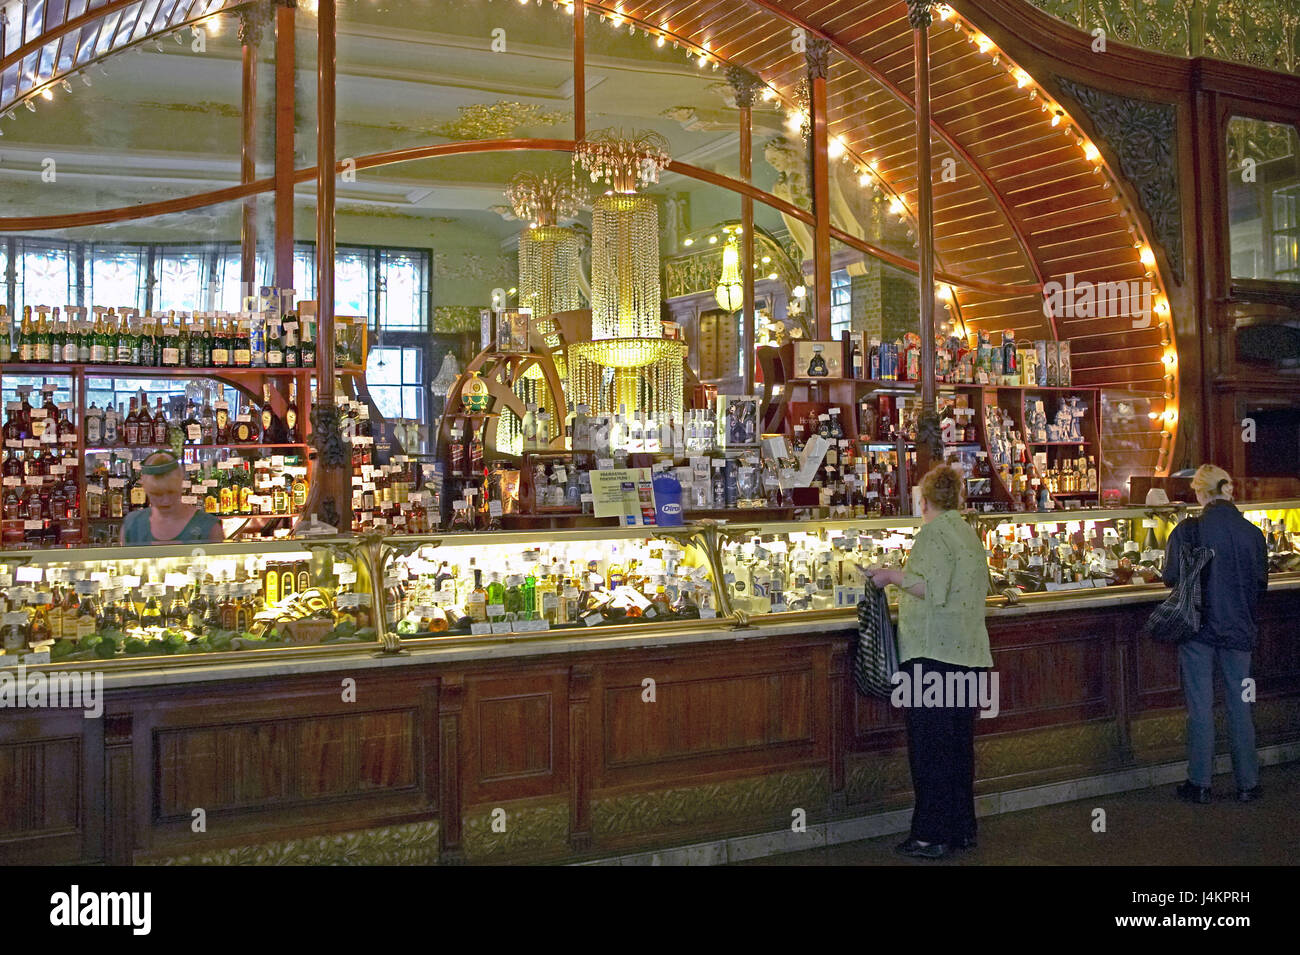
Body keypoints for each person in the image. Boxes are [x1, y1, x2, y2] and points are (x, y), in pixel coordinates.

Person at [860, 464, 992, 859]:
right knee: (957, 749)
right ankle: (961, 829)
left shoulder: (933, 534)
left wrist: (889, 576)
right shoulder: (966, 531)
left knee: (930, 750)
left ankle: (930, 835)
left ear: (924, 499)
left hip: (933, 655)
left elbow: (931, 588)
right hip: (968, 652)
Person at [1163, 464, 1267, 804]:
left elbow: (1171, 577)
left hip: (1198, 630)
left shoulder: (1188, 530)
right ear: (1228, 491)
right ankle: (1248, 784)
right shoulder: (1253, 533)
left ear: (1202, 493)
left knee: (1201, 707)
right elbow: (1261, 584)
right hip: (1239, 629)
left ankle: (1200, 783)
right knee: (1240, 706)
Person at [120, 450, 225, 545]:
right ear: (145, 490)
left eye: (171, 492)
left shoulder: (208, 526)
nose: (165, 501)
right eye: (157, 494)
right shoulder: (133, 526)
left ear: (181, 483)